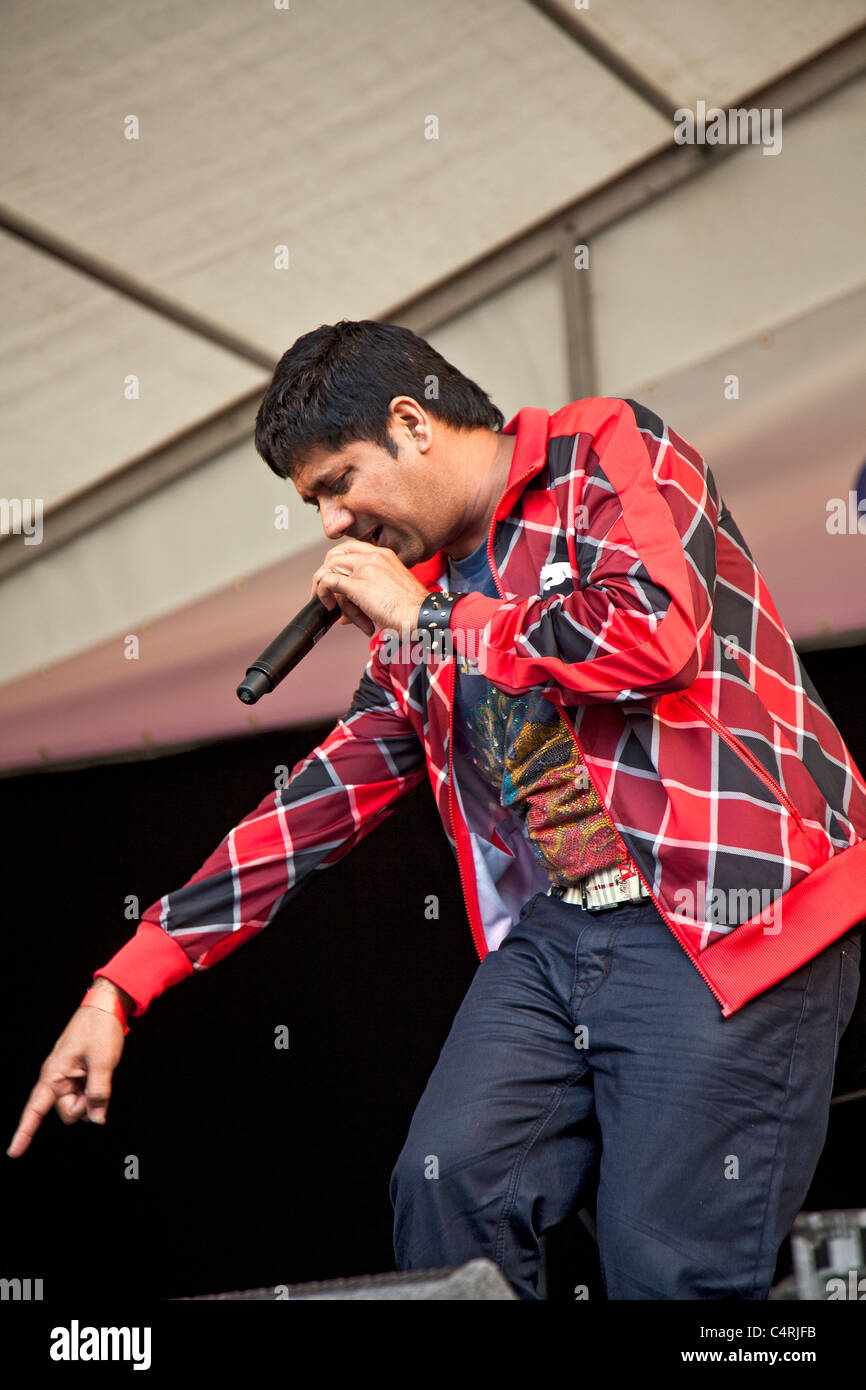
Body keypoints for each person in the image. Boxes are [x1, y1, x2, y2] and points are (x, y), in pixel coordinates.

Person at [8, 320, 866, 1301]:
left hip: (733, 909)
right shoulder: (422, 609)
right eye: (312, 503)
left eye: (336, 482)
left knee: (663, 1265)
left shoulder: (597, 450)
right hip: (558, 938)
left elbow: (655, 631)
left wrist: (428, 619)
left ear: (411, 423)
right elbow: (318, 802)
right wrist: (123, 983)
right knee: (446, 1184)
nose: (330, 522)